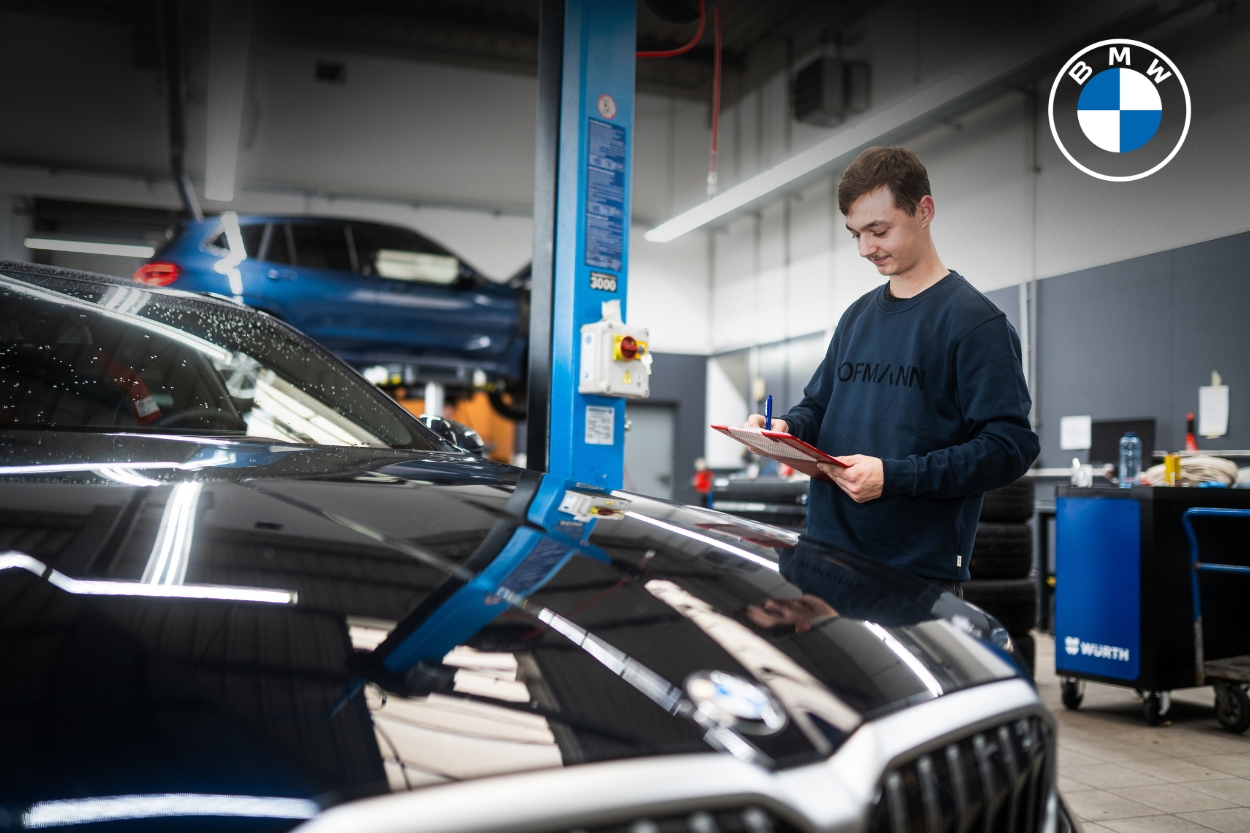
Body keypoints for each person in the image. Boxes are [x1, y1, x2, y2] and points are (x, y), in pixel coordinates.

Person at [745, 146, 1038, 596]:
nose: (865, 249)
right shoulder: (856, 317)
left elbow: (1009, 447)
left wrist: (897, 476)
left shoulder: (975, 324)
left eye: (878, 230)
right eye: (855, 234)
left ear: (924, 211)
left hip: (913, 572)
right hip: (825, 556)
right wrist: (783, 427)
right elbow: (819, 407)